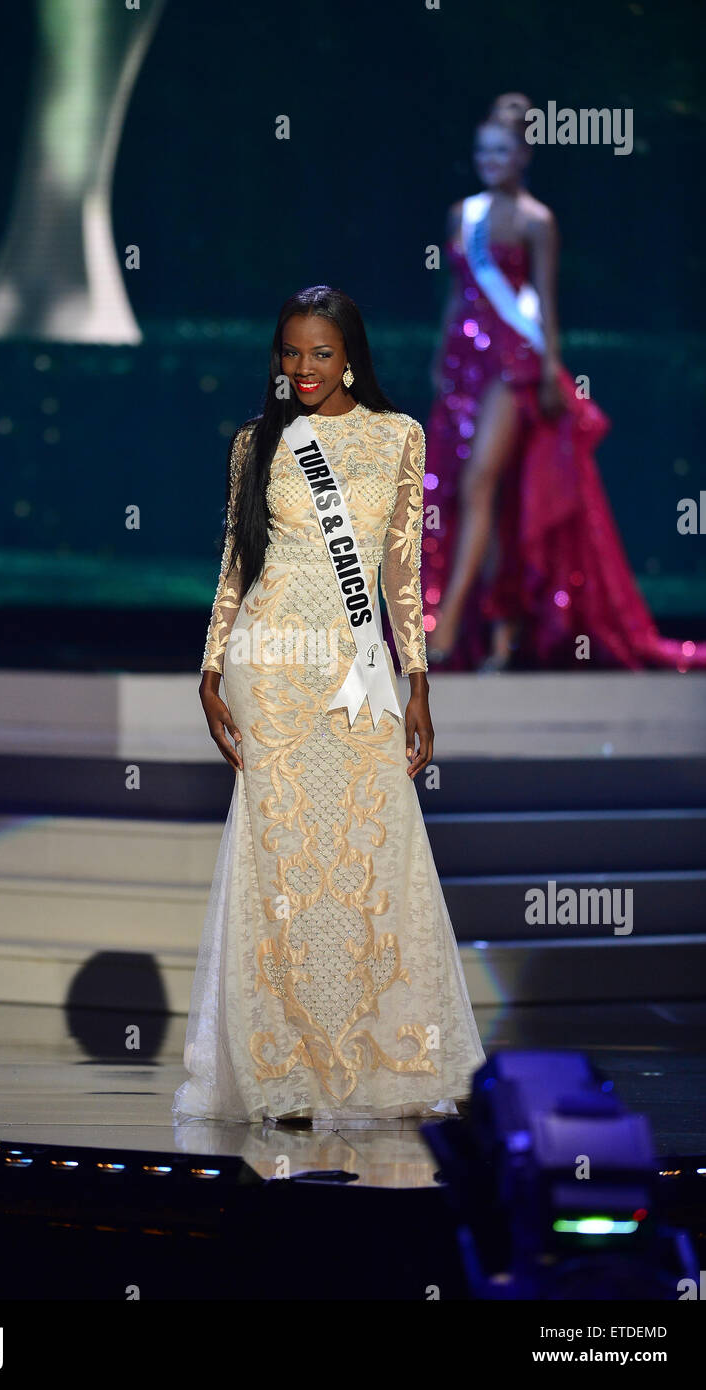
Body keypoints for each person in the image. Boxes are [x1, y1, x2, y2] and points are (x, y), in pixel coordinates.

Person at [174, 285, 485, 1127]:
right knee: (281, 858)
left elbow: (400, 574)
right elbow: (236, 569)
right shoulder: (257, 442)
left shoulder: (396, 437)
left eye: (318, 353)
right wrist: (209, 672)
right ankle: (283, 1071)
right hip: (270, 665)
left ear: (348, 355)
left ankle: (389, 1058)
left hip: (355, 668)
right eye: (289, 352)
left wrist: (417, 681)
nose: (302, 368)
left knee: (371, 846)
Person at [422, 93, 706, 672]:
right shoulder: (464, 215)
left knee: (481, 482)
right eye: (483, 151)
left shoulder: (537, 221)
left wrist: (553, 368)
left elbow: (546, 303)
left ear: (523, 155)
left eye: (502, 151)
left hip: (514, 364)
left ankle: (450, 622)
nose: (491, 160)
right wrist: (440, 357)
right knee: (475, 495)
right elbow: (457, 292)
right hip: (464, 363)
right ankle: (502, 629)